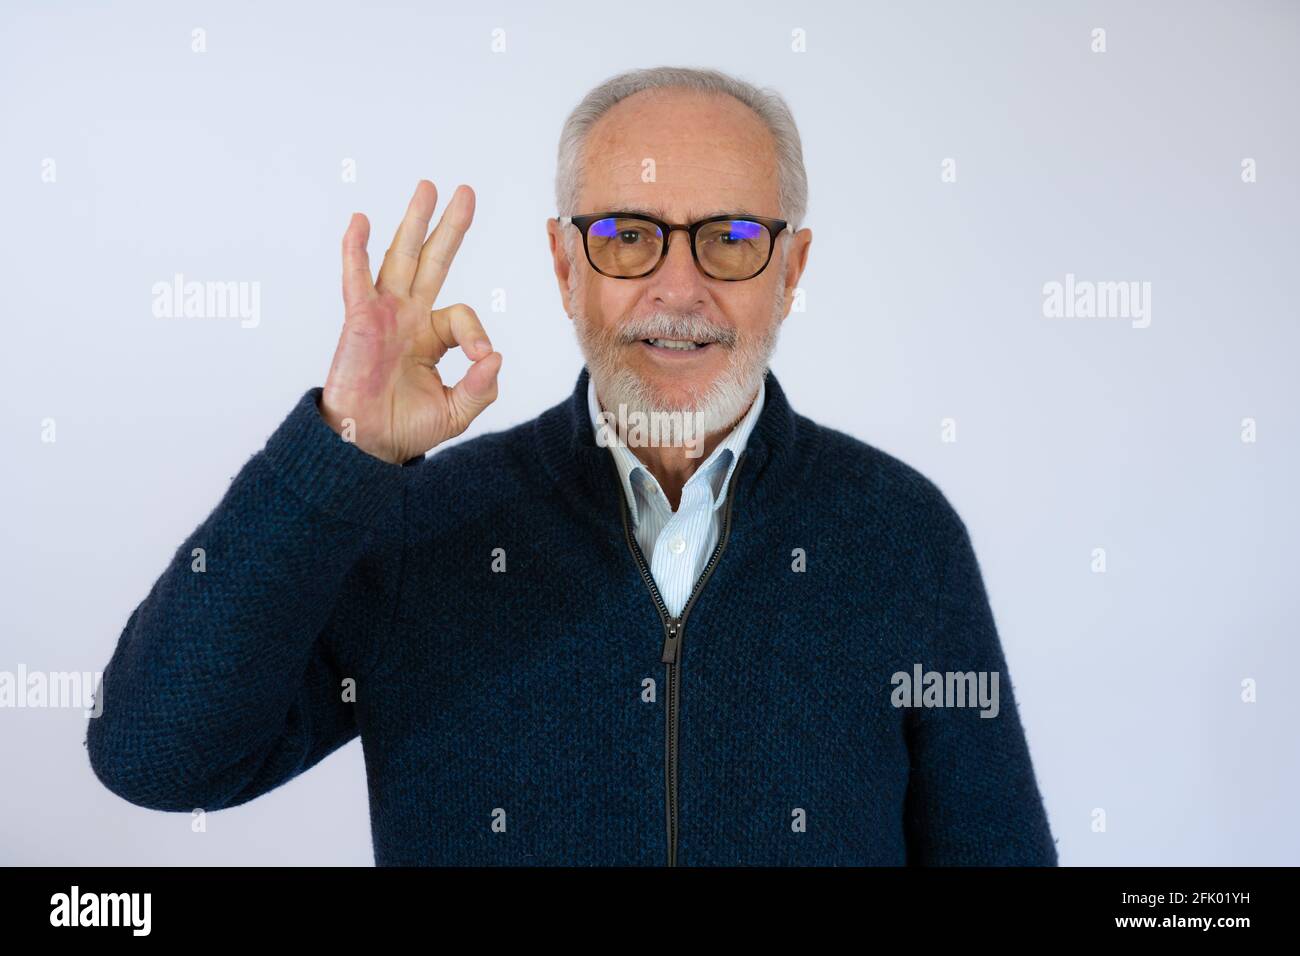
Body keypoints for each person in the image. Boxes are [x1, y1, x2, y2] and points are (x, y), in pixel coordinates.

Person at [87, 66, 1058, 866]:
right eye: (627, 236)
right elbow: (154, 755)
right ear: (563, 267)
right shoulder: (427, 527)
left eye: (729, 240)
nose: (677, 289)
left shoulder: (901, 533)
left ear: (791, 272)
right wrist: (339, 447)